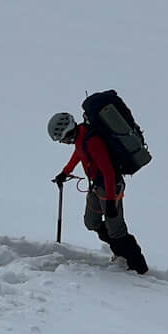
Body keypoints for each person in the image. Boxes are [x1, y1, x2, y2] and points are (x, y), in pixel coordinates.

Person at [50, 108, 147, 274]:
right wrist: (65, 172)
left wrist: (110, 201)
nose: (63, 143)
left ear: (67, 132)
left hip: (110, 187)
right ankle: (119, 251)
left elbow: (108, 171)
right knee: (91, 222)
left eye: (62, 139)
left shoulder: (92, 141)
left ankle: (138, 267)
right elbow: (79, 153)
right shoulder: (81, 137)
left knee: (116, 230)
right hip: (97, 186)